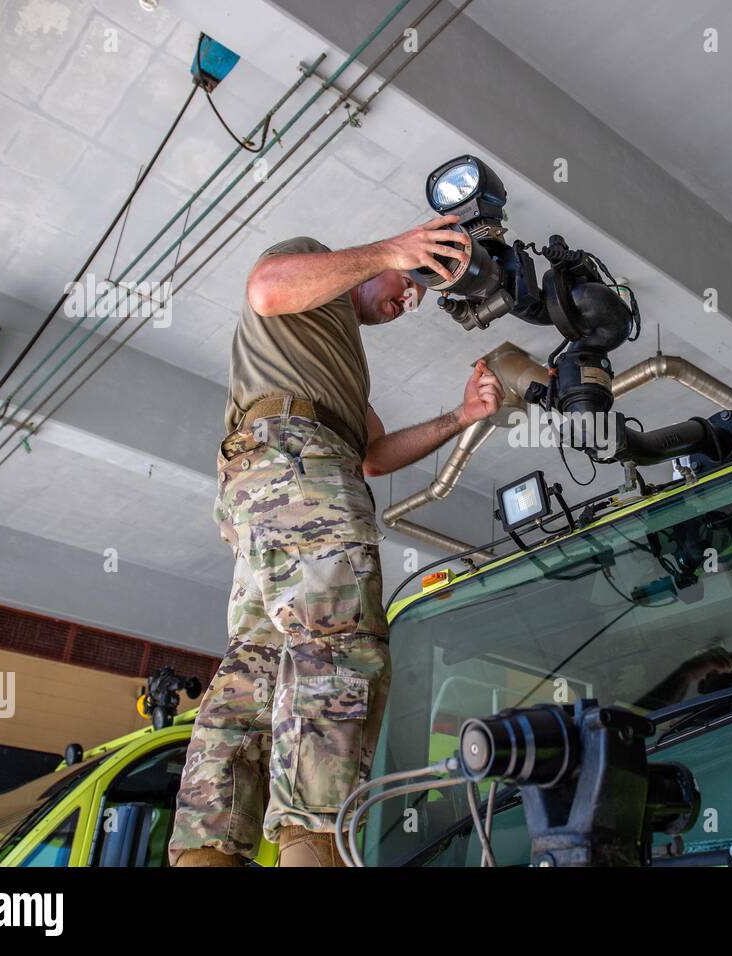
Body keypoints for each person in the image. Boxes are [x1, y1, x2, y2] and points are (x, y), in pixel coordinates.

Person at [169, 216, 504, 867]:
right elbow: (266, 287)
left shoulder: (335, 357)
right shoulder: (310, 262)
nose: (410, 300)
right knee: (337, 651)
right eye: (411, 282)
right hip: (295, 459)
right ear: (380, 257)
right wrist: (393, 248)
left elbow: (374, 455)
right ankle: (316, 848)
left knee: (256, 670)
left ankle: (208, 852)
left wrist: (461, 416)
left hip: (271, 484)